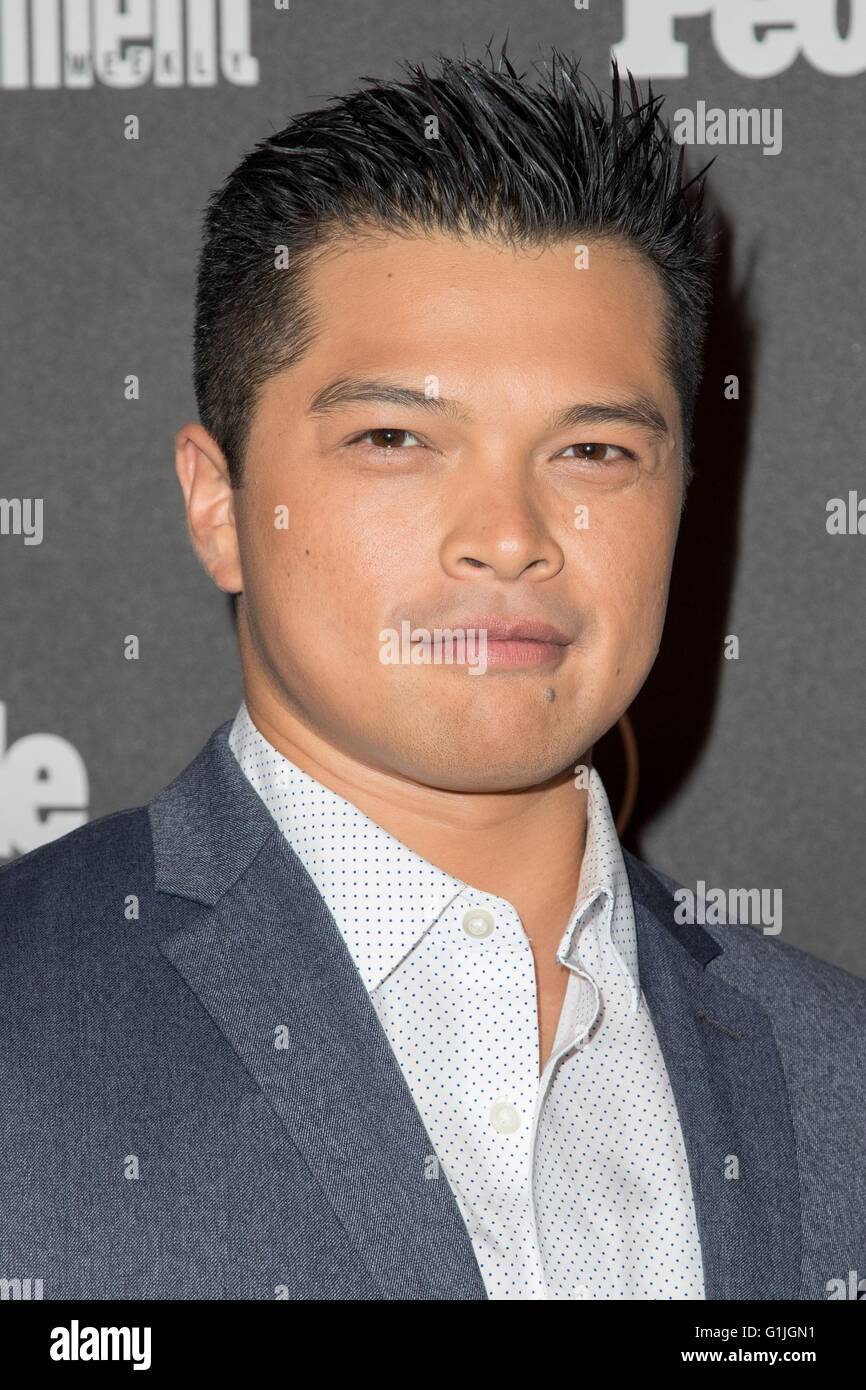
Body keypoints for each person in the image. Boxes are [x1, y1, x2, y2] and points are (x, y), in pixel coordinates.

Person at [2, 48, 864, 1302]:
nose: (508, 532)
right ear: (218, 503)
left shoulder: (834, 1070)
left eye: (592, 448)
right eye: (395, 438)